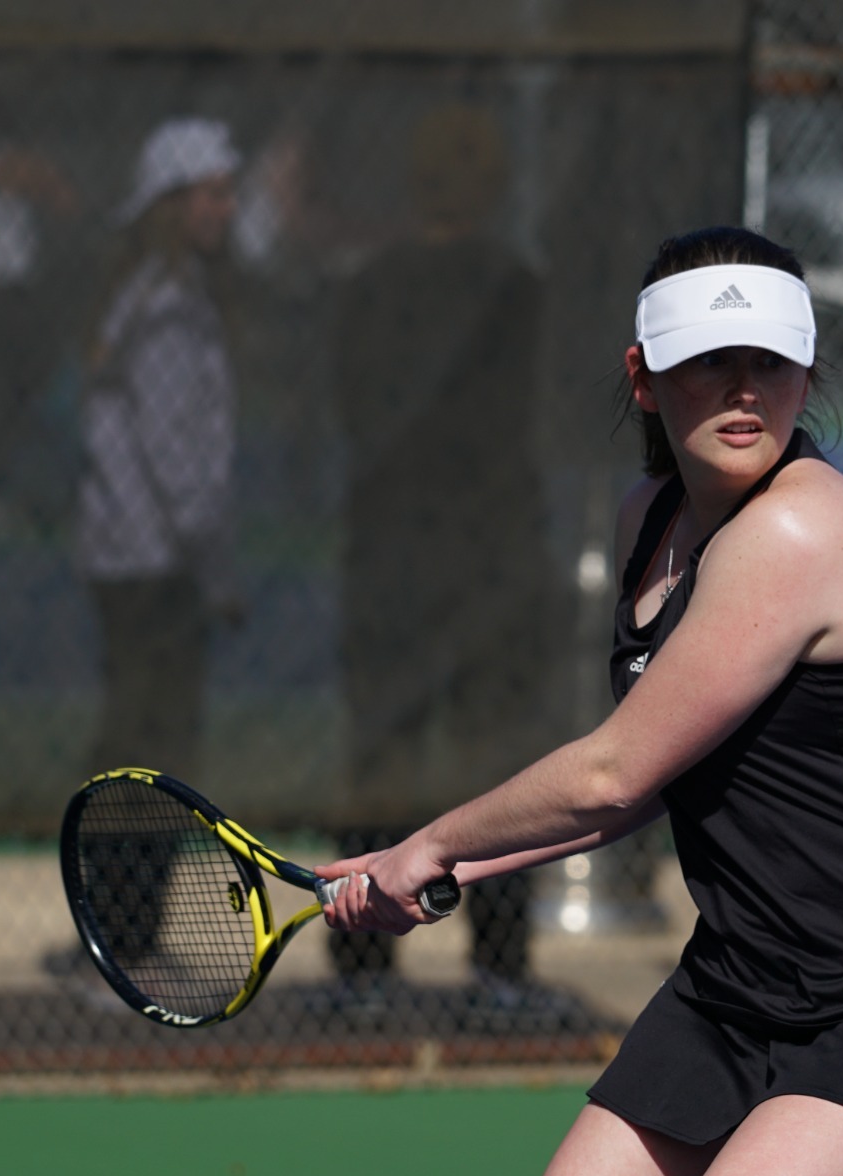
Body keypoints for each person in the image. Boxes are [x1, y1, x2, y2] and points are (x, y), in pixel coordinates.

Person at [316, 226, 843, 1176]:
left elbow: (614, 772)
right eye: (709, 360)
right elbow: (659, 782)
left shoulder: (802, 529)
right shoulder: (646, 526)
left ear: (809, 371)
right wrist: (429, 869)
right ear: (642, 375)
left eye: (769, 359)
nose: (743, 388)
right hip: (742, 985)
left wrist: (427, 840)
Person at [324, 104, 559, 1016]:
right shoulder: (516, 287)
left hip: (398, 560)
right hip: (482, 559)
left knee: (383, 756)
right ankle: (498, 968)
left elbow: (352, 410)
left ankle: (363, 976)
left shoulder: (371, 286)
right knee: (497, 768)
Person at [76, 117, 242, 779]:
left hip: (136, 555)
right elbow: (176, 462)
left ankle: (121, 871)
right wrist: (217, 572)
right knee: (153, 739)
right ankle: (122, 877)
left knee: (141, 729)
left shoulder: (160, 291)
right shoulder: (166, 306)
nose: (227, 209)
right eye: (212, 194)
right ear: (171, 204)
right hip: (154, 563)